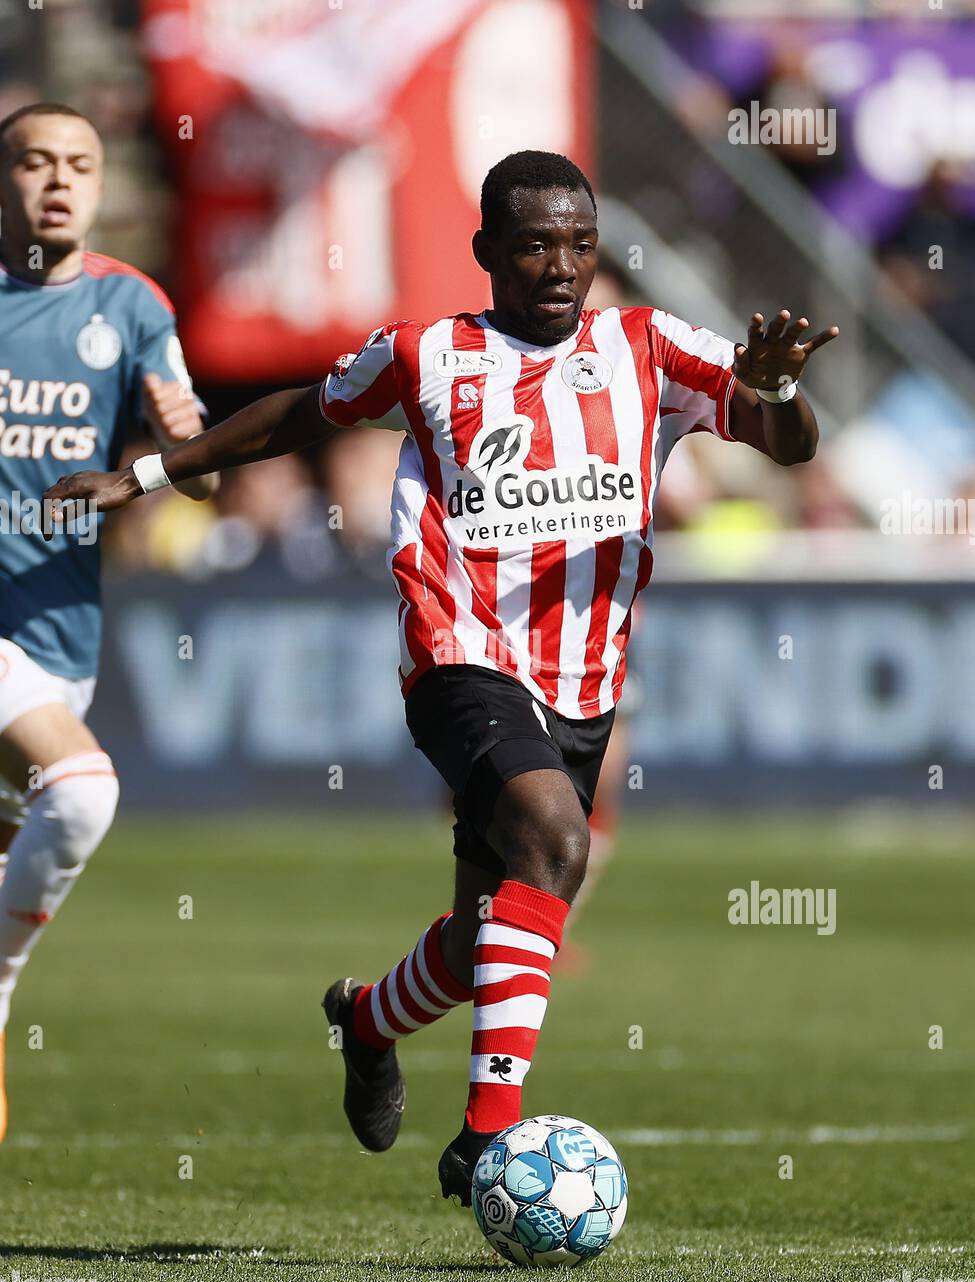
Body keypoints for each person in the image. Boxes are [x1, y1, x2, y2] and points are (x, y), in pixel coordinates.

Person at [44, 149, 838, 1200]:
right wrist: (149, 471)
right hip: (456, 651)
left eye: (582, 244)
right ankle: (487, 1141)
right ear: (488, 253)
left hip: (584, 676)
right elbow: (298, 413)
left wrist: (776, 384)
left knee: (480, 939)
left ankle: (367, 1021)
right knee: (555, 841)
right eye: (536, 244)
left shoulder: (649, 346)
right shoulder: (428, 357)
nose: (562, 266)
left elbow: (782, 441)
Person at [0, 103, 213, 1142]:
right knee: (82, 794)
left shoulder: (131, 306)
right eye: (34, 161)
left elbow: (195, 465)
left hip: (60, 634)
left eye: (79, 164)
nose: (58, 180)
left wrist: (180, 446)